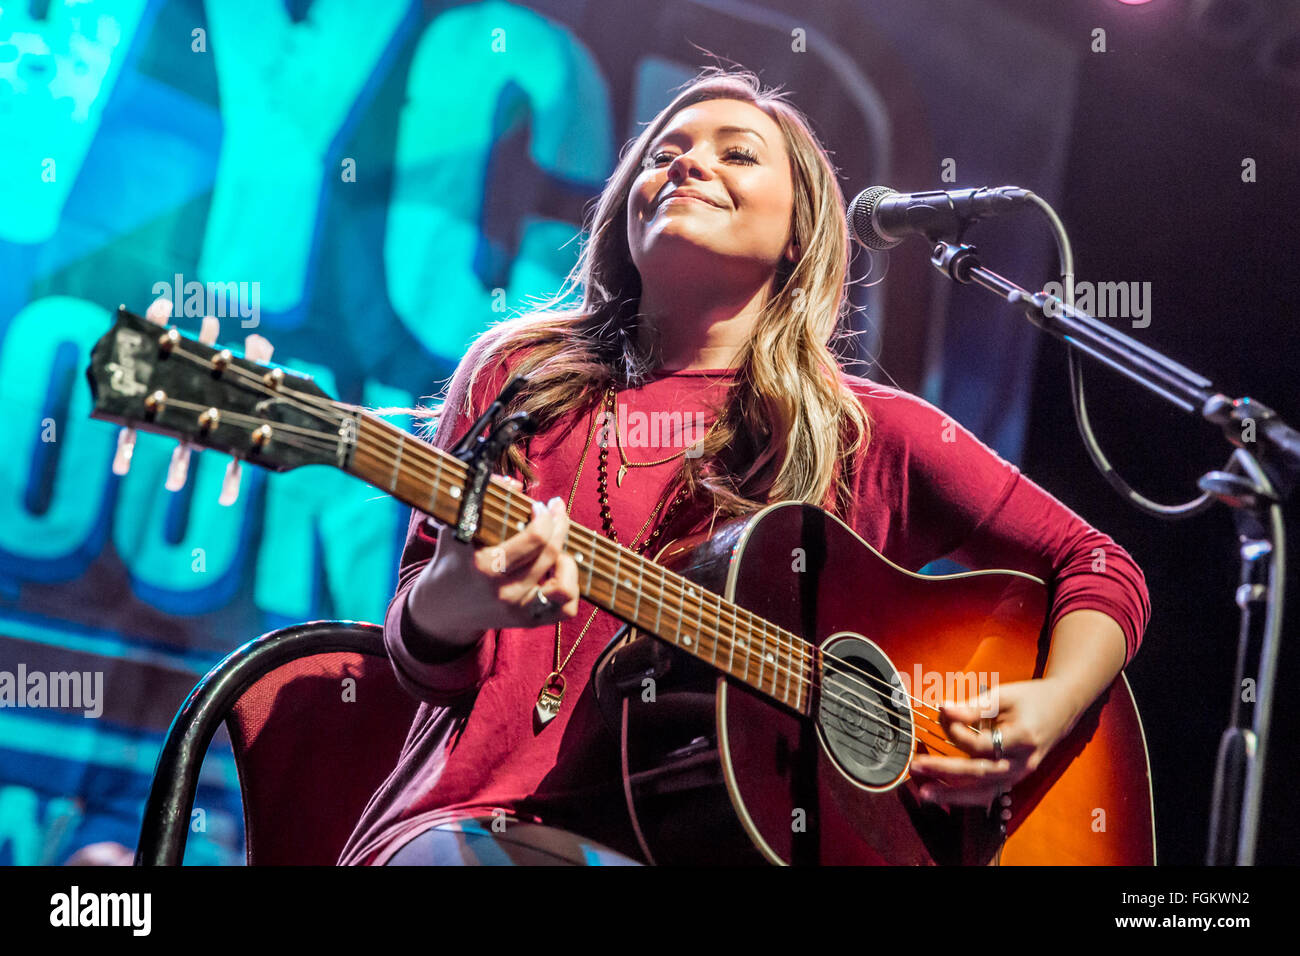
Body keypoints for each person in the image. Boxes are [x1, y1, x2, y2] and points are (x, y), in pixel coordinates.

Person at [337, 67, 1150, 866]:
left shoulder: (866, 434)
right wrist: (454, 601)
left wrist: (1048, 707)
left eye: (737, 154)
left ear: (798, 232)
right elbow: (419, 658)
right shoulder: (524, 378)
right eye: (663, 154)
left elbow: (1097, 564)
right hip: (482, 826)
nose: (687, 165)